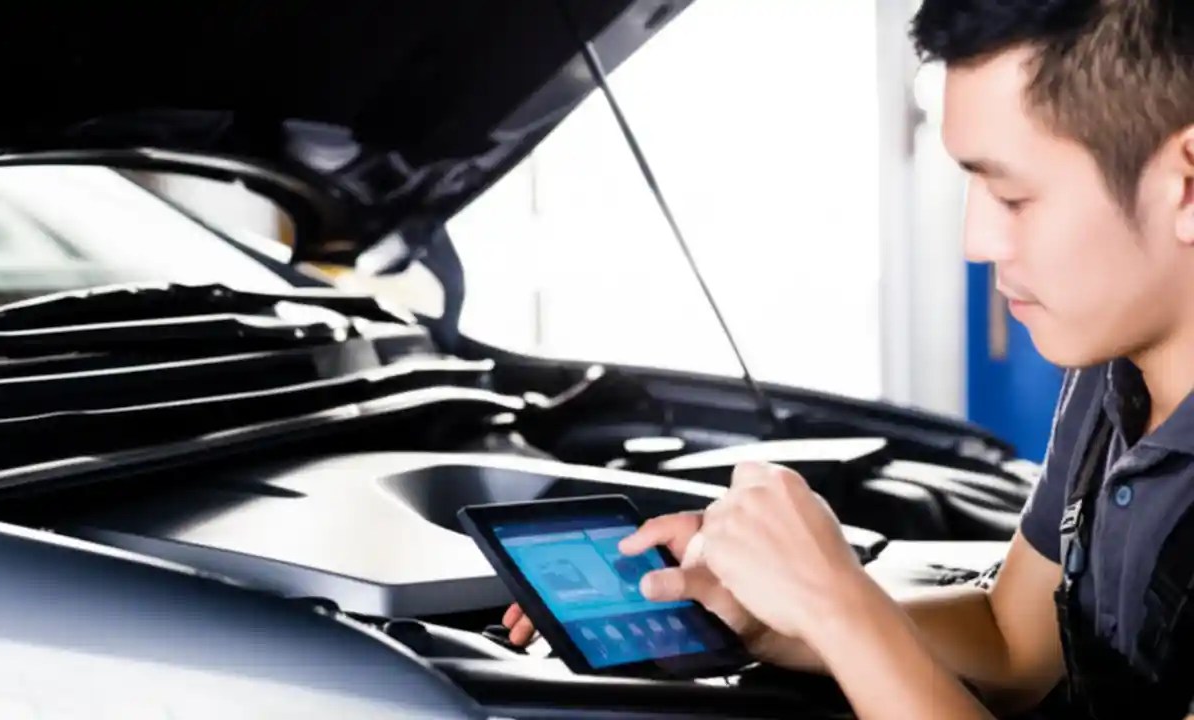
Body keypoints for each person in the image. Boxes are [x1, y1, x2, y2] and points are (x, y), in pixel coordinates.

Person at [503, 1, 1194, 717]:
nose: (977, 241)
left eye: (1012, 196)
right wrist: (779, 615)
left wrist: (834, 604)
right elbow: (1014, 641)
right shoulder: (1111, 377)